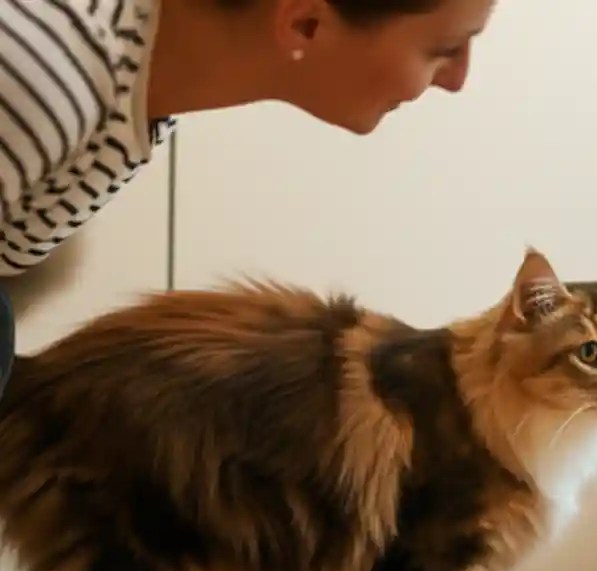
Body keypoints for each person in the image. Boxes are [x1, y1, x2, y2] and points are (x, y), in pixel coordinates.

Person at [0, 0, 493, 396]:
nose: (457, 80)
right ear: (304, 24)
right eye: (444, 48)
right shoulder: (45, 75)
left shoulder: (131, 87)